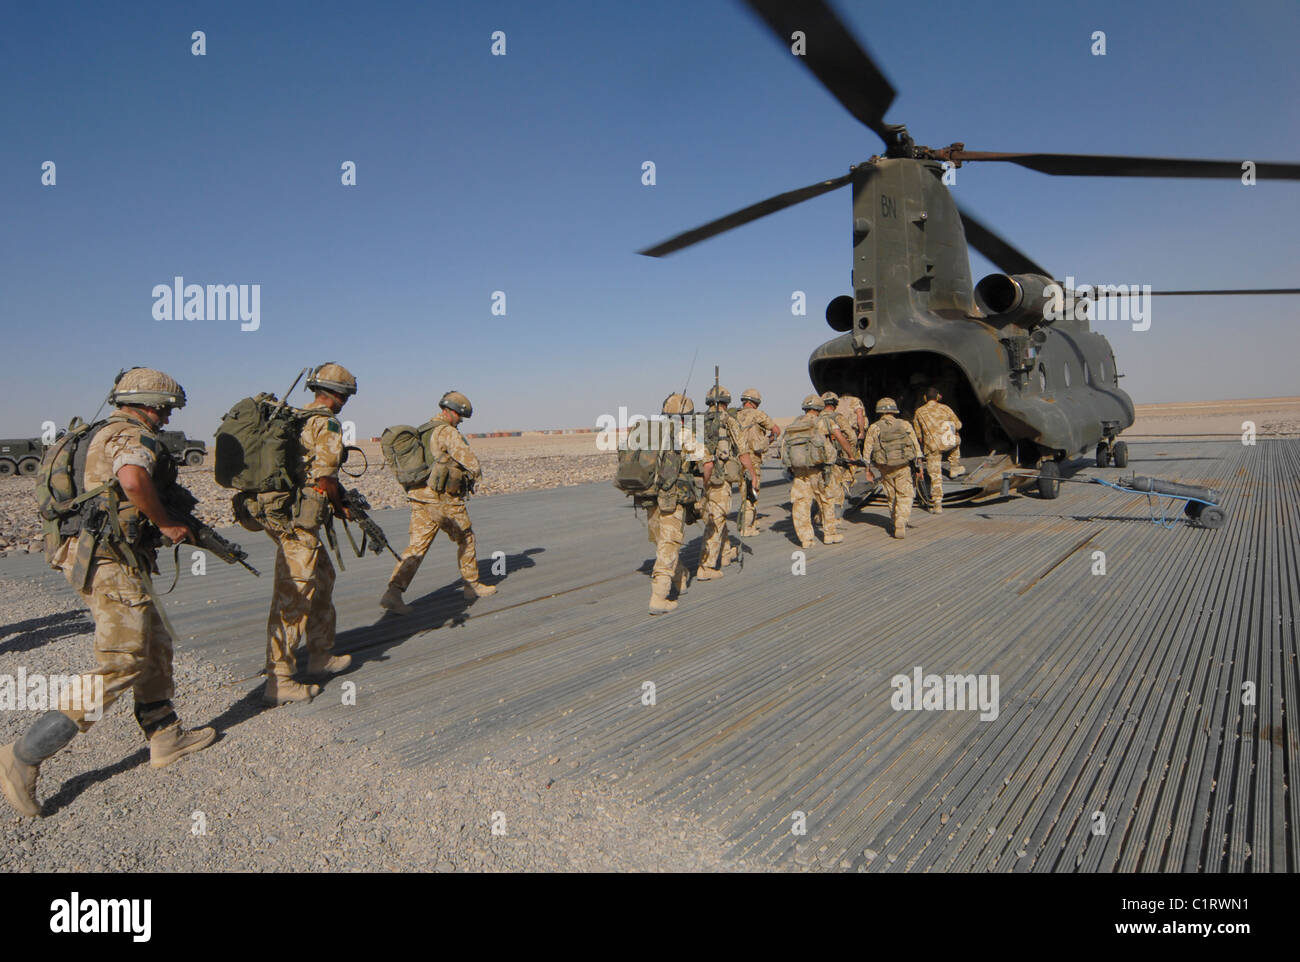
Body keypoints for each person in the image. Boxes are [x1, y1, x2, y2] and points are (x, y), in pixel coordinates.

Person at [0, 368, 214, 818]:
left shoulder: (93, 432)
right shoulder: (132, 436)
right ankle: (22, 756)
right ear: (153, 405)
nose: (167, 420)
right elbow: (134, 481)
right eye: (167, 410)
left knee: (153, 639)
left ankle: (165, 735)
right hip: (107, 559)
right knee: (124, 659)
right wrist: (167, 523)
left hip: (92, 551)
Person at [260, 363, 357, 706]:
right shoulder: (327, 422)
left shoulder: (295, 416)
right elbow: (325, 478)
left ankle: (320, 655)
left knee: (323, 577)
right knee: (294, 595)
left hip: (282, 513)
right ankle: (279, 679)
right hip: (299, 521)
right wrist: (340, 502)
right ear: (341, 395)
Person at [380, 391, 497, 615]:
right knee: (466, 538)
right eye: (460, 417)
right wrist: (471, 477)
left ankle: (393, 593)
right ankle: (471, 585)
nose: (460, 421)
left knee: (417, 547)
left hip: (419, 497)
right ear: (453, 412)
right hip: (443, 500)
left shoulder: (424, 429)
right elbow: (471, 463)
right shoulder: (447, 432)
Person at [644, 394, 704, 614]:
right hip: (671, 499)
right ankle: (659, 598)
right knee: (669, 545)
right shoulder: (684, 434)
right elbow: (703, 461)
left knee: (662, 542)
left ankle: (679, 578)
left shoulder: (649, 432)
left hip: (649, 497)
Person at [695, 385, 754, 581]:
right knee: (716, 521)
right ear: (727, 403)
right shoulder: (729, 420)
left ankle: (726, 552)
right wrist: (752, 475)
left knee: (714, 517)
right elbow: (743, 453)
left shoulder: (696, 421)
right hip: (718, 478)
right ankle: (706, 567)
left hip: (698, 479)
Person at [782, 394, 841, 547]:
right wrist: (831, 461)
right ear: (819, 408)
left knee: (801, 503)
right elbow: (828, 447)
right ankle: (830, 534)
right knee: (826, 500)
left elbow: (784, 448)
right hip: (818, 470)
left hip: (799, 471)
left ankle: (806, 539)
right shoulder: (821, 422)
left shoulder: (794, 424)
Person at [861, 397, 922, 539]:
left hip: (884, 467)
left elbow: (867, 451)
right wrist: (919, 466)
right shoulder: (905, 425)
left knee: (891, 495)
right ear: (894, 410)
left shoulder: (874, 427)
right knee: (905, 494)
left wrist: (868, 470)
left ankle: (895, 521)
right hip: (902, 466)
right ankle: (901, 521)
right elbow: (915, 446)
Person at [732, 388, 780, 536]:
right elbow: (776, 430)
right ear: (756, 402)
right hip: (752, 458)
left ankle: (750, 520)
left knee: (743, 490)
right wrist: (768, 441)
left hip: (737, 458)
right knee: (752, 489)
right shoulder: (758, 415)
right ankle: (747, 528)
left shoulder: (734, 416)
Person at [912, 387, 965, 514]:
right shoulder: (945, 408)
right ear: (938, 397)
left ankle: (937, 504)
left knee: (935, 476)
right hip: (947, 442)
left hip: (931, 447)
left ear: (925, 398)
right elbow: (958, 425)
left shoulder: (919, 412)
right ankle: (954, 467)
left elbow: (918, 435)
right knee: (957, 439)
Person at [820, 392, 860, 518]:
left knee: (822, 487)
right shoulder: (838, 417)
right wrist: (850, 453)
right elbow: (852, 437)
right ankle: (835, 517)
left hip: (818, 458)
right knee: (836, 485)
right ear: (835, 404)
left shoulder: (816, 417)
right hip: (835, 458)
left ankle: (820, 514)